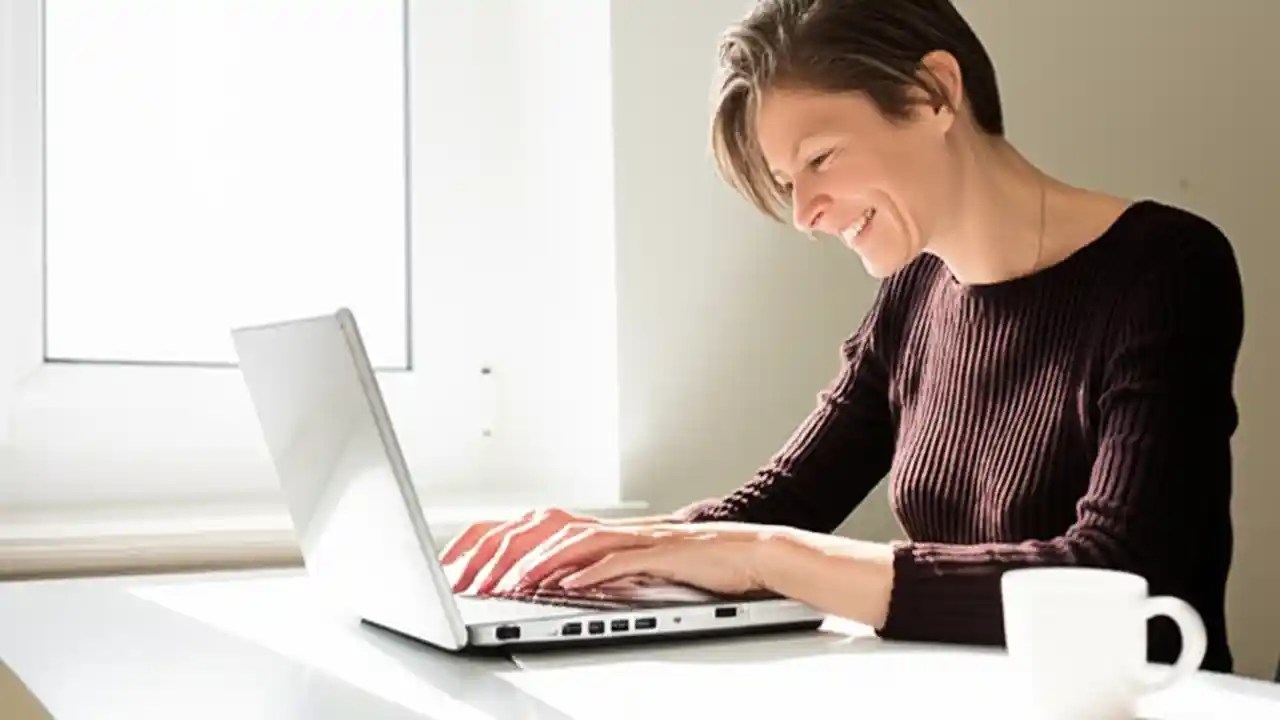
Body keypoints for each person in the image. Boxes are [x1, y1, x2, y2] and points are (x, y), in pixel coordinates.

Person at [439, 0, 1242, 672]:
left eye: (821, 158)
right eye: (790, 183)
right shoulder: (915, 293)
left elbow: (1119, 570)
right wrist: (605, 551)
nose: (805, 214)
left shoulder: (1167, 267)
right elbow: (787, 501)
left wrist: (767, 556)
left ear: (934, 93)